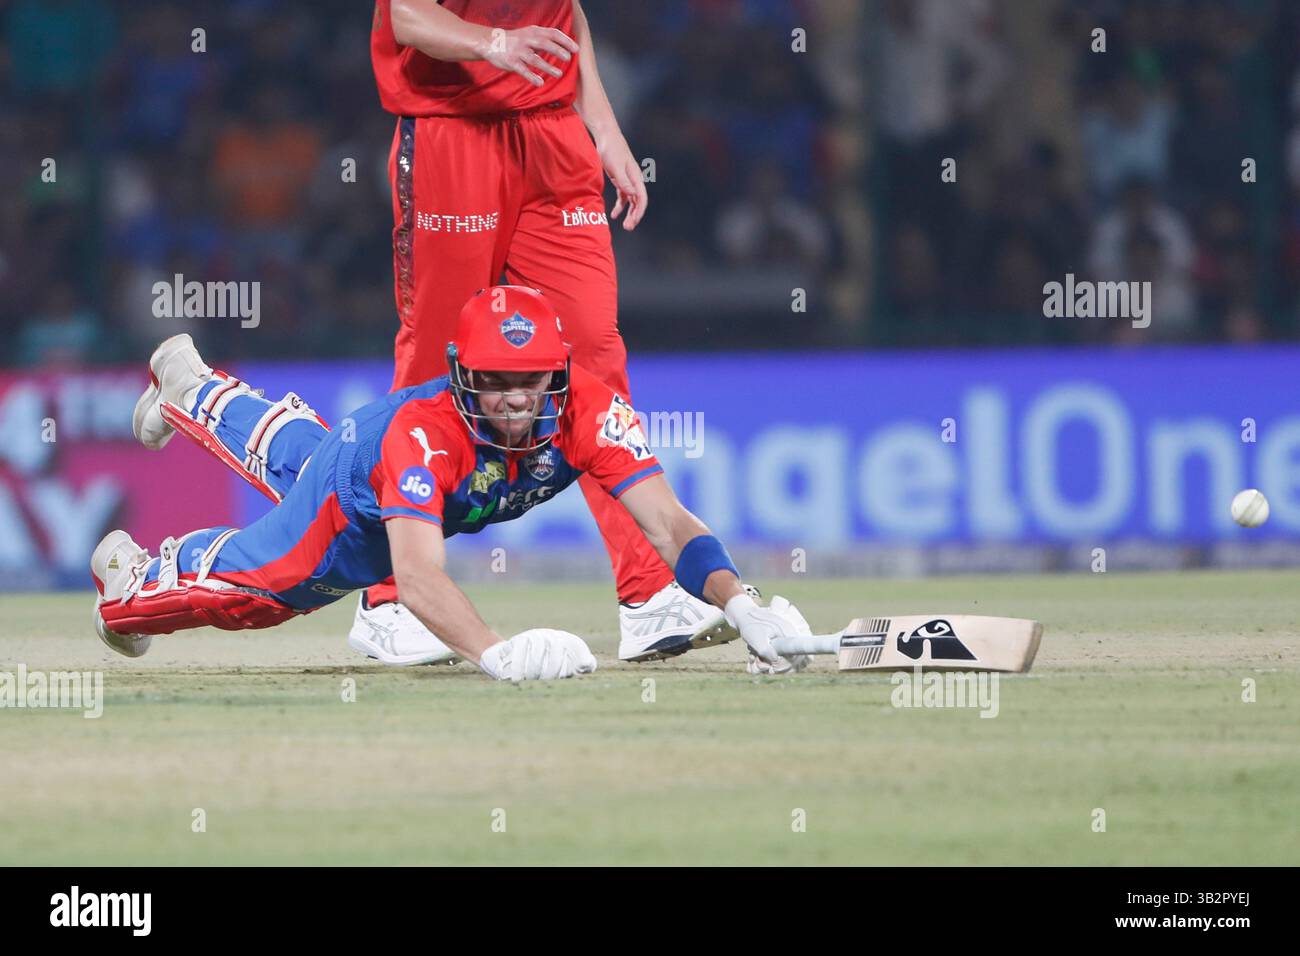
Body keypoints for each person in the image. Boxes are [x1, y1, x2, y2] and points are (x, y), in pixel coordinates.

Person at [92, 287, 809, 681]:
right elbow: (415, 575)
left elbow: (669, 524)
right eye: (495, 384)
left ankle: (191, 390)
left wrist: (743, 606)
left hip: (356, 448)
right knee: (259, 594)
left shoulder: (593, 410)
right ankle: (132, 580)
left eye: (532, 382)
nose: (518, 401)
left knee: (301, 456)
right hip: (356, 507)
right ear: (463, 374)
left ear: (558, 372)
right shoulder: (425, 437)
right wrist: (495, 653)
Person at [360, 1, 695, 667]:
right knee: (433, 369)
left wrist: (603, 128)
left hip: (553, 137)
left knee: (593, 363)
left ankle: (650, 594)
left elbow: (566, 14)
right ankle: (387, 600)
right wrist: (493, 43)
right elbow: (406, 16)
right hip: (450, 132)